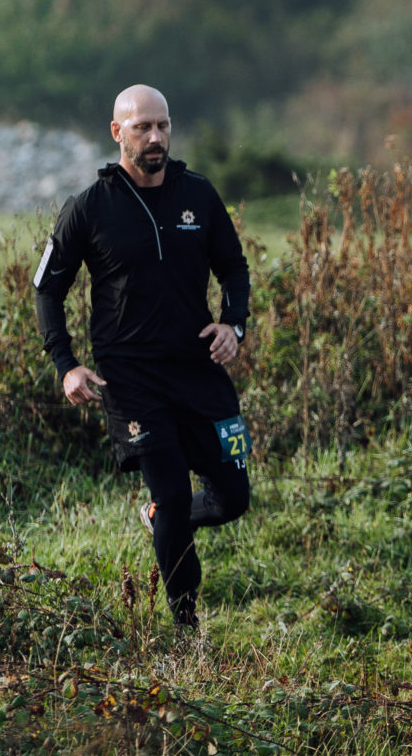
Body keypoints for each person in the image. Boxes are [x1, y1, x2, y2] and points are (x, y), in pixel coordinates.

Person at [34, 84, 251, 630]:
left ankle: (158, 519)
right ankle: (187, 628)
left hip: (199, 371)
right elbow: (47, 291)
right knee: (175, 492)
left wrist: (234, 325)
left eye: (163, 126)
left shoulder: (198, 195)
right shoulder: (88, 208)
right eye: (142, 128)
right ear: (117, 133)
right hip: (130, 379)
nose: (155, 138)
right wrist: (67, 365)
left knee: (233, 495)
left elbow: (235, 269)